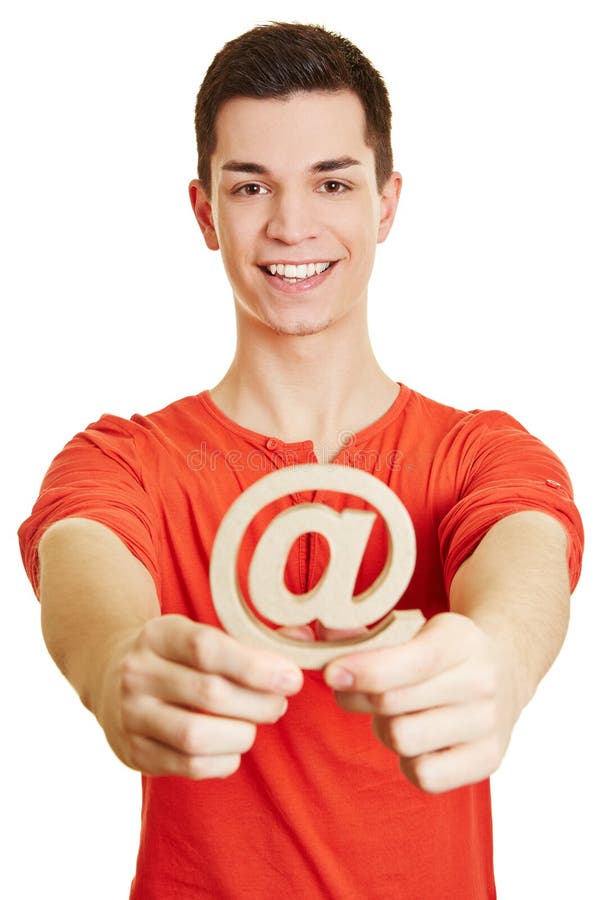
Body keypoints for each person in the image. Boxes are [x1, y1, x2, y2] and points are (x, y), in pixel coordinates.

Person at [18, 22, 583, 900]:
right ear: (206, 212)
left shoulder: (481, 453)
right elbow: (85, 569)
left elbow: (525, 553)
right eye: (251, 186)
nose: (291, 224)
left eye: (332, 181)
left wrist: (502, 659)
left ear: (386, 204)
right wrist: (115, 663)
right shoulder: (123, 460)